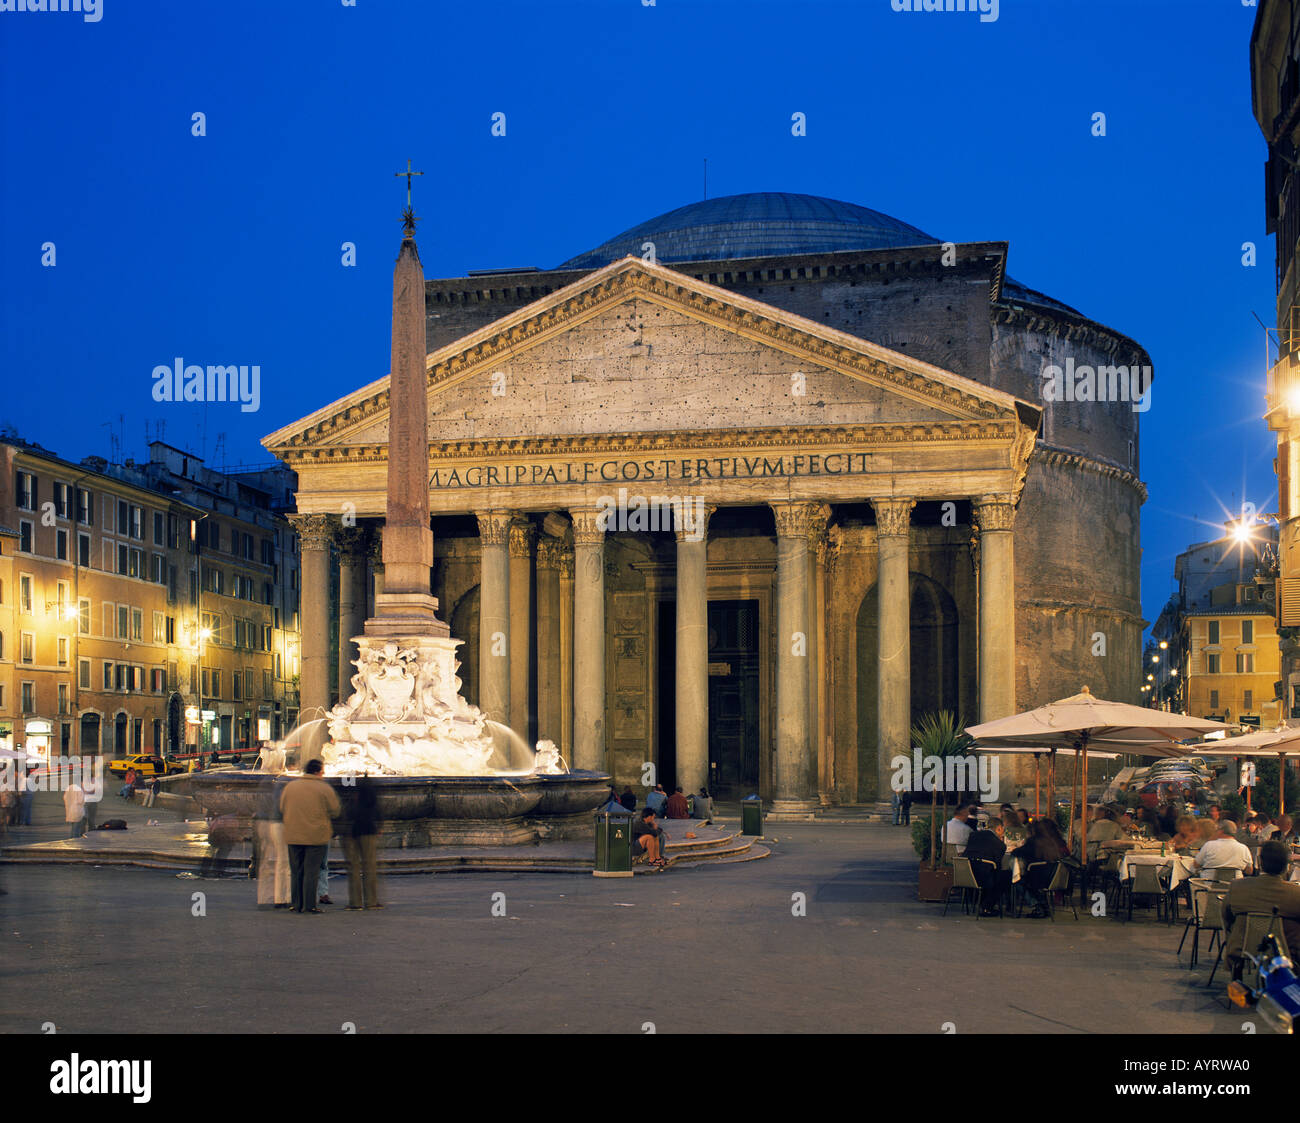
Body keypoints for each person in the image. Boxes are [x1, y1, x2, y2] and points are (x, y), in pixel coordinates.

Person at [1223, 841, 1300, 979]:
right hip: (1287, 952)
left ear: (1260, 861)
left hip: (1242, 948)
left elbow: (1226, 917)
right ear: (1286, 866)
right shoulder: (1295, 894)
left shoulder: (1237, 887)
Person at [279, 758, 341, 913]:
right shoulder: (323, 788)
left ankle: (296, 904)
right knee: (311, 872)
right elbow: (335, 810)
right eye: (322, 770)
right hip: (315, 836)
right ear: (317, 771)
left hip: (293, 835)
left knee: (296, 871)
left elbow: (281, 807)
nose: (323, 773)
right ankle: (309, 905)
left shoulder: (291, 786)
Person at [344, 778, 382, 911]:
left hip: (352, 831)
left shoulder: (351, 792)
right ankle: (371, 901)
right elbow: (377, 811)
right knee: (369, 866)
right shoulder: (370, 794)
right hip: (368, 830)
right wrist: (378, 826)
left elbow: (348, 812)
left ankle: (355, 902)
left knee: (354, 867)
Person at [254, 776, 291, 909]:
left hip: (263, 823)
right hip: (277, 823)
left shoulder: (266, 782)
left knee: (266, 863)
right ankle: (282, 897)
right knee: (283, 861)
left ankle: (264, 898)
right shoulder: (281, 783)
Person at [1016, 819, 1065, 919]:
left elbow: (1017, 852)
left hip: (1037, 878)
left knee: (1016, 880)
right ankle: (1044, 906)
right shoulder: (1052, 842)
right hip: (1053, 878)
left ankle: (1036, 906)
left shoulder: (1033, 841)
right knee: (1032, 881)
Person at [964, 817, 1010, 915]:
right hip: (985, 878)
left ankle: (980, 903)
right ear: (999, 828)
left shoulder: (973, 835)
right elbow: (997, 866)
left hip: (967, 874)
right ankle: (987, 906)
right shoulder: (1000, 845)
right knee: (1006, 876)